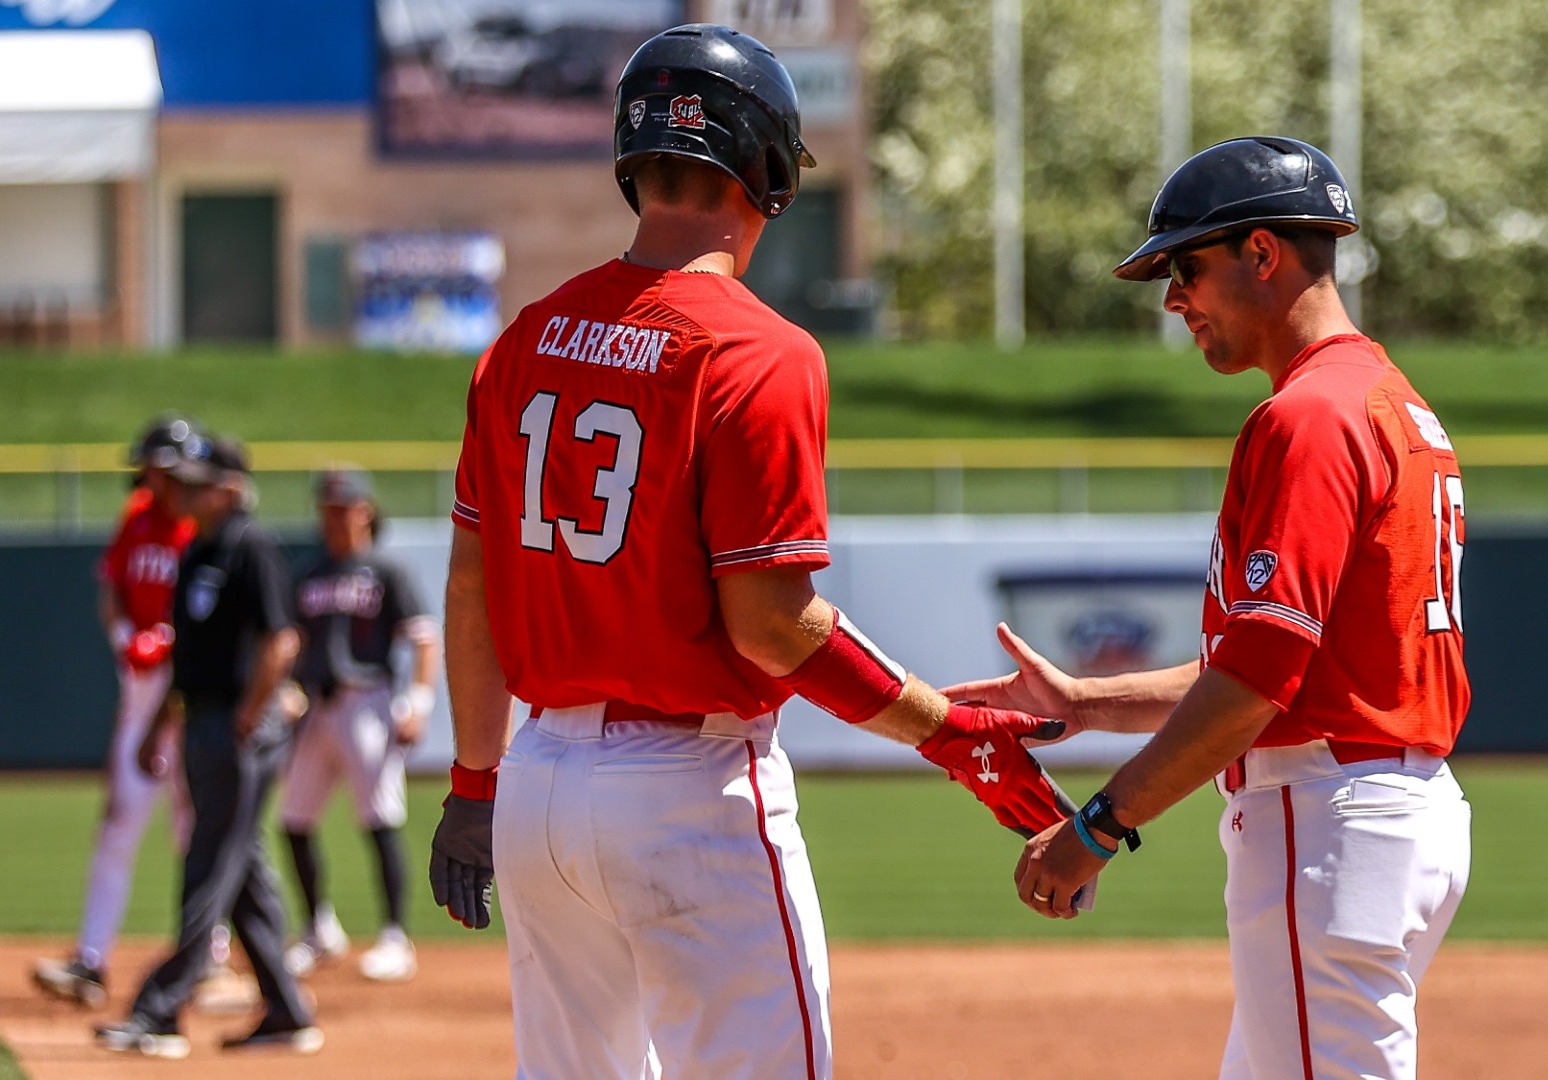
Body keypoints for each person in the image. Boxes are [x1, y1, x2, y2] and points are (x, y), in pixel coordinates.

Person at [426, 24, 1070, 1080]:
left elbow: (471, 585)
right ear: (767, 169)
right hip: (691, 788)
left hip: (538, 787)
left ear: (632, 161)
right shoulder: (758, 351)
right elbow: (773, 625)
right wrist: (948, 732)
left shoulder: (524, 338)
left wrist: (473, 780)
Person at [946, 138, 1472, 1080]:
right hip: (1380, 810)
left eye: (1186, 268)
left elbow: (1258, 682)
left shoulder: (1309, 417)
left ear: (1261, 253)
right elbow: (1279, 662)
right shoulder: (1387, 402)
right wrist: (1084, 702)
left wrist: (1097, 827)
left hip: (1326, 822)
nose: (1173, 299)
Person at [92, 435, 323, 1059]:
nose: (184, 492)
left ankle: (159, 1010)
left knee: (209, 862)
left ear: (230, 488)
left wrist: (248, 716)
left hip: (238, 726)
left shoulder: (251, 547)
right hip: (202, 719)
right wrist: (155, 726)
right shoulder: (196, 550)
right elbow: (188, 657)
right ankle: (286, 1009)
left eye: (199, 482)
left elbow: (281, 639)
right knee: (240, 868)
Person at [31, 417, 198, 1006]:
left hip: (192, 690)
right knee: (119, 822)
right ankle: (91, 960)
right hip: (142, 691)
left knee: (196, 826)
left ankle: (209, 958)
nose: (152, 476)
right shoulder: (138, 518)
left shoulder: (200, 526)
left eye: (161, 467)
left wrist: (172, 639)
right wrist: (126, 635)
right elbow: (110, 590)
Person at [278, 467, 441, 983]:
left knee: (379, 818)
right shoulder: (309, 573)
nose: (334, 517)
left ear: (365, 510)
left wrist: (418, 703)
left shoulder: (387, 570)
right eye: (327, 509)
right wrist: (285, 687)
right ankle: (317, 929)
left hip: (368, 703)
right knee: (293, 818)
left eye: (343, 508)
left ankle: (395, 936)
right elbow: (290, 644)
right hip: (315, 708)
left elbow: (424, 640)